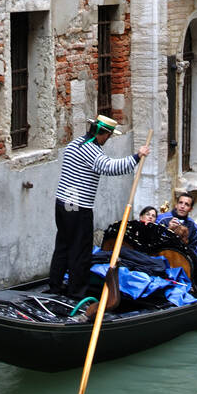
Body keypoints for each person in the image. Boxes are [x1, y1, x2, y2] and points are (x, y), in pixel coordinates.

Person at [49, 116, 150, 299]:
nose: (108, 140)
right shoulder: (92, 150)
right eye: (109, 136)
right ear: (104, 134)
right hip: (78, 207)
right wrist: (138, 156)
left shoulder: (76, 144)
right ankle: (76, 294)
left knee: (63, 246)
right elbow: (110, 167)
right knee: (80, 251)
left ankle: (55, 287)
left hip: (63, 204)